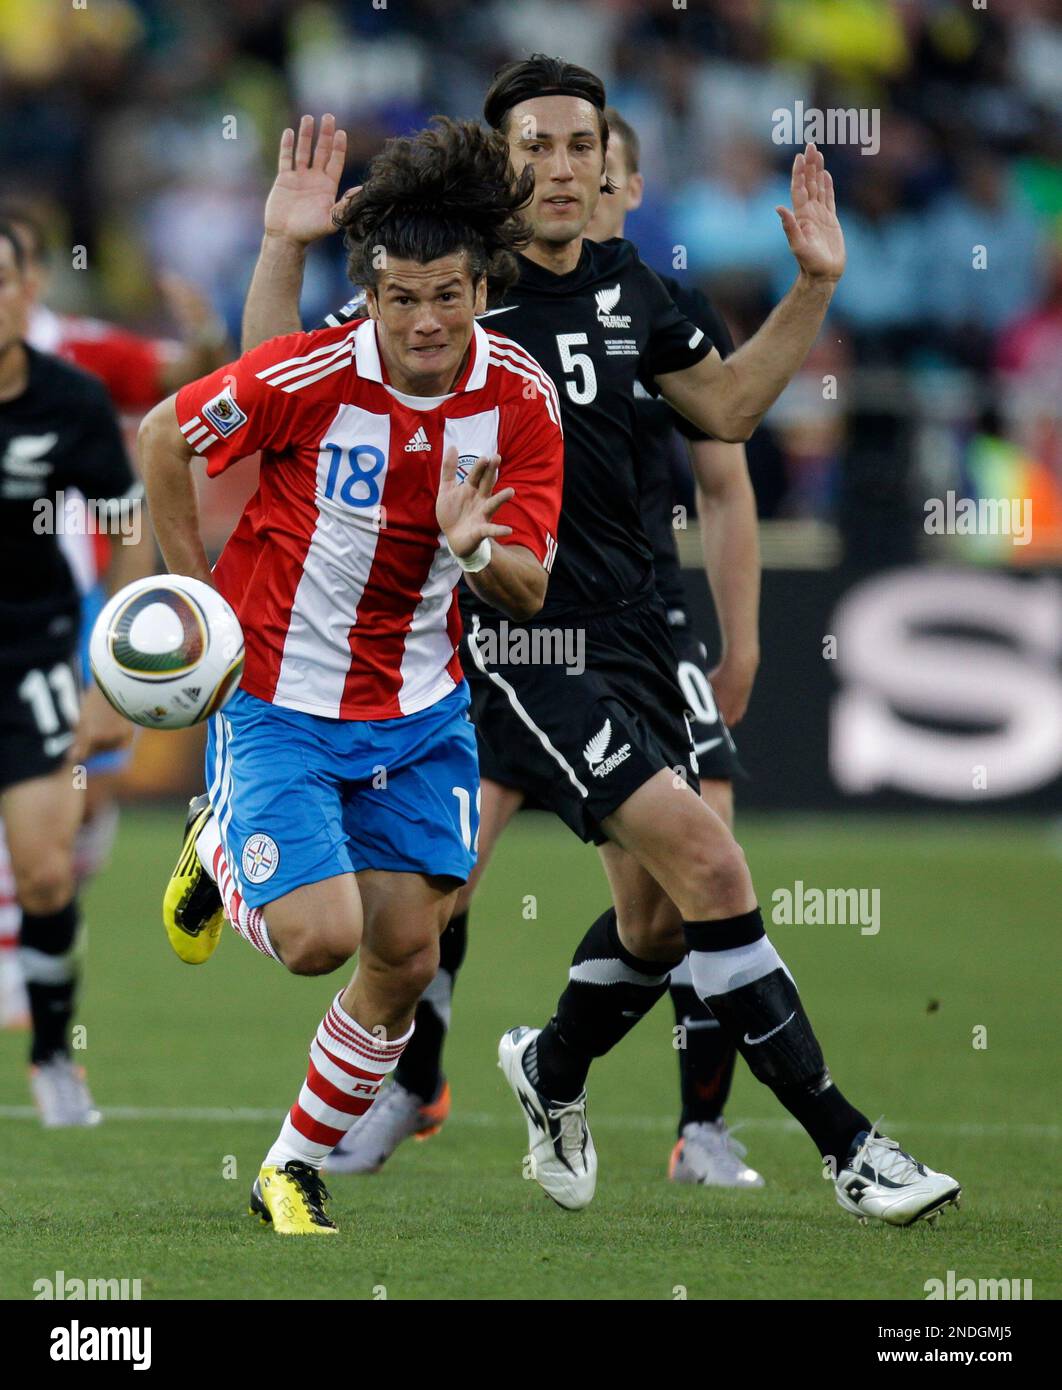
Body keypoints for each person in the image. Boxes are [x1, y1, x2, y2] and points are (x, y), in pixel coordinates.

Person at [219, 54, 962, 1227]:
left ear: (608, 163)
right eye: (534, 147)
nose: (560, 170)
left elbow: (723, 417)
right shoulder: (449, 290)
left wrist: (814, 284)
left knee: (659, 918)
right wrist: (287, 248)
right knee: (704, 865)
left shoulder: (633, 288)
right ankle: (850, 1148)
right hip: (512, 635)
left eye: (580, 147)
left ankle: (547, 1068)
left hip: (633, 630)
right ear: (497, 157)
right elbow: (282, 391)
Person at [322, 106, 765, 1191]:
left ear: (629, 184)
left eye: (602, 170)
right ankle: (414, 1085)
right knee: (439, 885)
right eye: (555, 163)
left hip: (632, 633)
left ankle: (695, 1122)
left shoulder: (653, 303)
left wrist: (739, 637)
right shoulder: (471, 298)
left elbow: (723, 470)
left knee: (688, 878)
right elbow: (327, 376)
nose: (580, 188)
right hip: (494, 634)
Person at [141, 118, 564, 1235]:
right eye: (401, 298)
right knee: (316, 939)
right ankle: (220, 841)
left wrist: (474, 546)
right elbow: (163, 435)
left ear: (484, 287)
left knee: (410, 951)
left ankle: (290, 1165)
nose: (425, 321)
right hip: (281, 695)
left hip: (424, 712)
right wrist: (201, 609)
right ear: (369, 296)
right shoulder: (323, 371)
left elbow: (526, 587)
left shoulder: (519, 397)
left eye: (448, 296)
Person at [0, 206, 230, 1030]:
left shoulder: (78, 351)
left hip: (82, 597)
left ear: (34, 281)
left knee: (86, 785)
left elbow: (187, 375)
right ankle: (19, 944)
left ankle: (48, 904)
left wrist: (204, 338)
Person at [0, 219, 147, 1124]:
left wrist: (113, 663)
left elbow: (131, 524)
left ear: (28, 291)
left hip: (31, 649)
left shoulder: (71, 401)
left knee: (46, 876)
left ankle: (54, 1054)